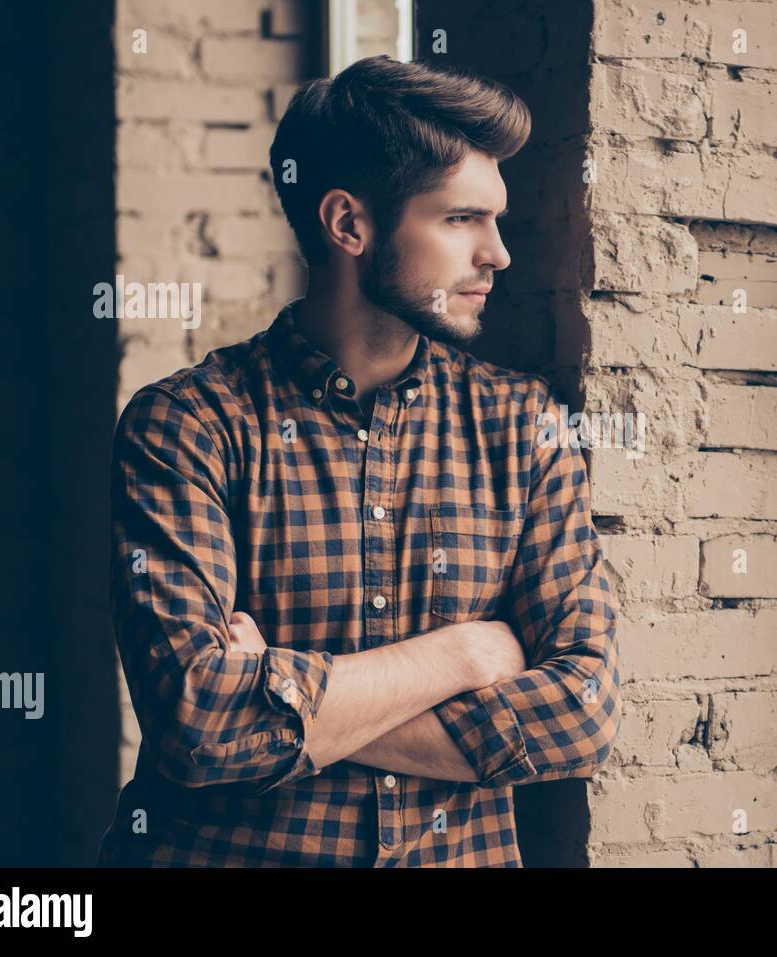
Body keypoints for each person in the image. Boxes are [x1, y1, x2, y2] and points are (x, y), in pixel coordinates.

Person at [96, 55, 621, 867]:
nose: (499, 254)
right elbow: (197, 724)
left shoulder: (523, 428)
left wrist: (289, 704)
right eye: (461, 220)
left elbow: (582, 710)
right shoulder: (186, 426)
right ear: (349, 224)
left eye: (497, 220)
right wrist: (463, 655)